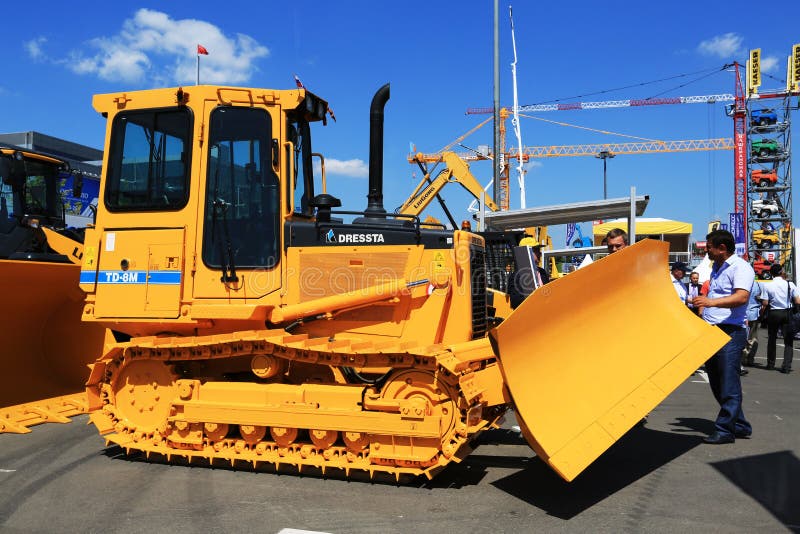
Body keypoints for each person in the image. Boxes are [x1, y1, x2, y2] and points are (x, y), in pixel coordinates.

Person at [691, 229, 753, 444]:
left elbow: (741, 297)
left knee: (728, 382)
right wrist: (703, 303)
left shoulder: (741, 267)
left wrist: (710, 303)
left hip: (730, 331)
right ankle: (740, 424)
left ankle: (725, 430)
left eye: (709, 248)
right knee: (717, 382)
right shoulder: (717, 267)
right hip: (713, 330)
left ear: (722, 248)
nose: (706, 251)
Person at [760, 263, 798, 373]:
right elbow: (797, 300)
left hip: (774, 312)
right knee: (788, 340)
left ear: (771, 273)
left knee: (772, 338)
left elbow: (765, 302)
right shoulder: (789, 284)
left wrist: (761, 314)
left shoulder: (767, 285)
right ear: (781, 272)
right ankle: (786, 366)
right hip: (787, 312)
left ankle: (771, 364)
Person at [508, 237, 549, 309]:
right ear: (527, 252)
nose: (540, 253)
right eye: (536, 250)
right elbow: (515, 302)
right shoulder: (516, 276)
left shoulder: (542, 272)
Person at [741, 279, 763, 368]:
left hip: (742, 313)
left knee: (742, 337)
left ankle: (743, 358)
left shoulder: (741, 283)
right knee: (753, 338)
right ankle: (750, 358)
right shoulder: (758, 284)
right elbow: (761, 298)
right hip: (754, 312)